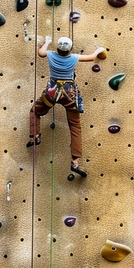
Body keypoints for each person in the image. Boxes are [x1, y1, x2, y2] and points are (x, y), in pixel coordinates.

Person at [29, 36, 105, 178]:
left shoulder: (50, 54)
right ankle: (75, 162)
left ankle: (35, 136)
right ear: (70, 49)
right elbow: (91, 58)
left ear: (57, 48)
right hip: (69, 95)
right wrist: (98, 50)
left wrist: (46, 42)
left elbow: (41, 53)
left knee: (35, 111)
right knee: (75, 127)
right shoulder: (74, 58)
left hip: (52, 93)